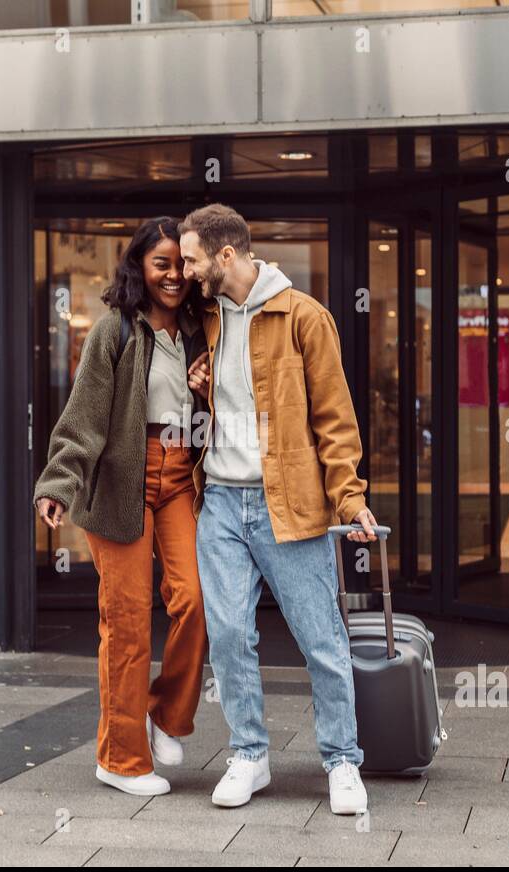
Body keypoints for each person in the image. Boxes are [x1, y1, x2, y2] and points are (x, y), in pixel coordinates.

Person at [179, 203, 378, 815]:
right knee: (231, 634)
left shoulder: (304, 317)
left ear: (226, 256)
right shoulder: (210, 318)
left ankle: (342, 761)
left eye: (191, 259)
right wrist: (202, 384)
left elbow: (335, 419)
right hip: (219, 502)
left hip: (286, 502)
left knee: (321, 637)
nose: (185, 271)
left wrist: (350, 496)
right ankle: (249, 754)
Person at [33, 217, 211, 796]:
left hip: (180, 479)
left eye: (181, 264)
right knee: (128, 625)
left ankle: (167, 716)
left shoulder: (196, 328)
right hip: (119, 487)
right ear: (137, 266)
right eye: (161, 263)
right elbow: (83, 417)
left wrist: (206, 387)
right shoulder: (115, 331)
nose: (174, 275)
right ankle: (121, 758)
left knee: (197, 600)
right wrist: (58, 484)